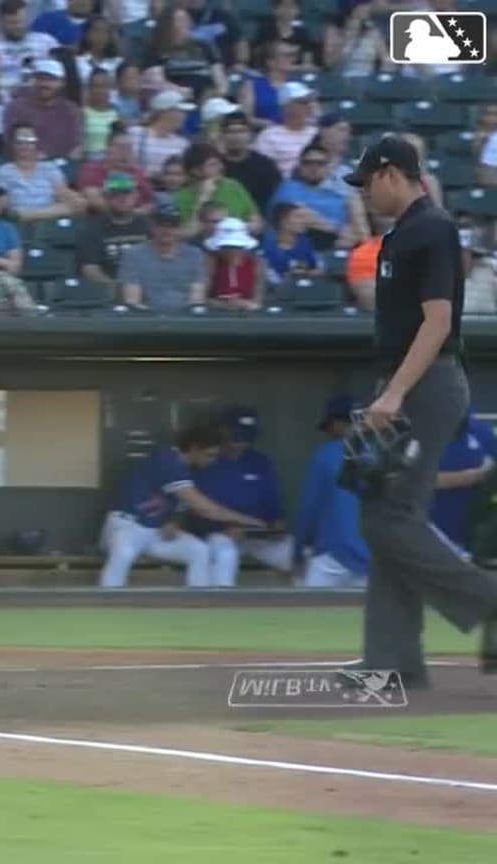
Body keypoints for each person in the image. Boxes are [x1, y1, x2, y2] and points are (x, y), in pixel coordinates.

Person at [345, 133, 497, 681]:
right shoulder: (404, 233)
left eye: (367, 182)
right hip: (408, 381)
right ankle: (392, 662)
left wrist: (394, 393)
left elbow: (437, 322)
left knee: (388, 517)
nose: (363, 194)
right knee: (387, 514)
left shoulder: (431, 229)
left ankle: (488, 602)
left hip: (425, 383)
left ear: (392, 173)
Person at [99, 421, 266, 588]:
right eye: (210, 455)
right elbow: (205, 508)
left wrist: (174, 522)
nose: (213, 461)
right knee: (124, 552)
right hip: (127, 526)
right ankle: (105, 604)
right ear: (194, 449)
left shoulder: (189, 469)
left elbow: (180, 507)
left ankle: (199, 604)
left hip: (154, 532)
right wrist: (249, 521)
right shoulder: (168, 460)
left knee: (199, 550)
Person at [190, 406, 293, 587]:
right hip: (221, 534)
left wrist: (277, 522)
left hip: (258, 534)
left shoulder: (260, 462)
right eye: (237, 433)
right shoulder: (208, 460)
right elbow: (197, 510)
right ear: (223, 431)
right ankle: (220, 608)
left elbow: (273, 502)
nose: (242, 439)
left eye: (247, 434)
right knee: (225, 554)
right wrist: (221, 528)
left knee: (299, 555)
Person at [294, 394, 370, 588]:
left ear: (338, 423)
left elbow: (309, 510)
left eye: (329, 426)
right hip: (374, 557)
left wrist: (298, 553)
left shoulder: (327, 454)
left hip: (333, 555)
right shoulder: (384, 453)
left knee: (307, 614)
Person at [430, 411, 497, 557]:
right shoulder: (413, 431)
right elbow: (405, 480)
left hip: (470, 533)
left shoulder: (481, 430)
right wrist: (472, 477)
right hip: (426, 525)